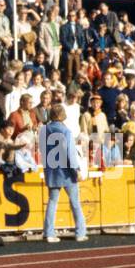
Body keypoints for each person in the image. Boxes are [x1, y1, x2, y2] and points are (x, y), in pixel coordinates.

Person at [38, 104, 88, 243]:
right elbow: (70, 154)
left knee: (52, 202)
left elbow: (42, 150)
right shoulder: (66, 131)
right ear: (61, 115)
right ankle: (80, 232)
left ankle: (48, 232)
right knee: (75, 202)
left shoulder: (44, 130)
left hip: (51, 170)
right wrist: (76, 170)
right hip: (66, 172)